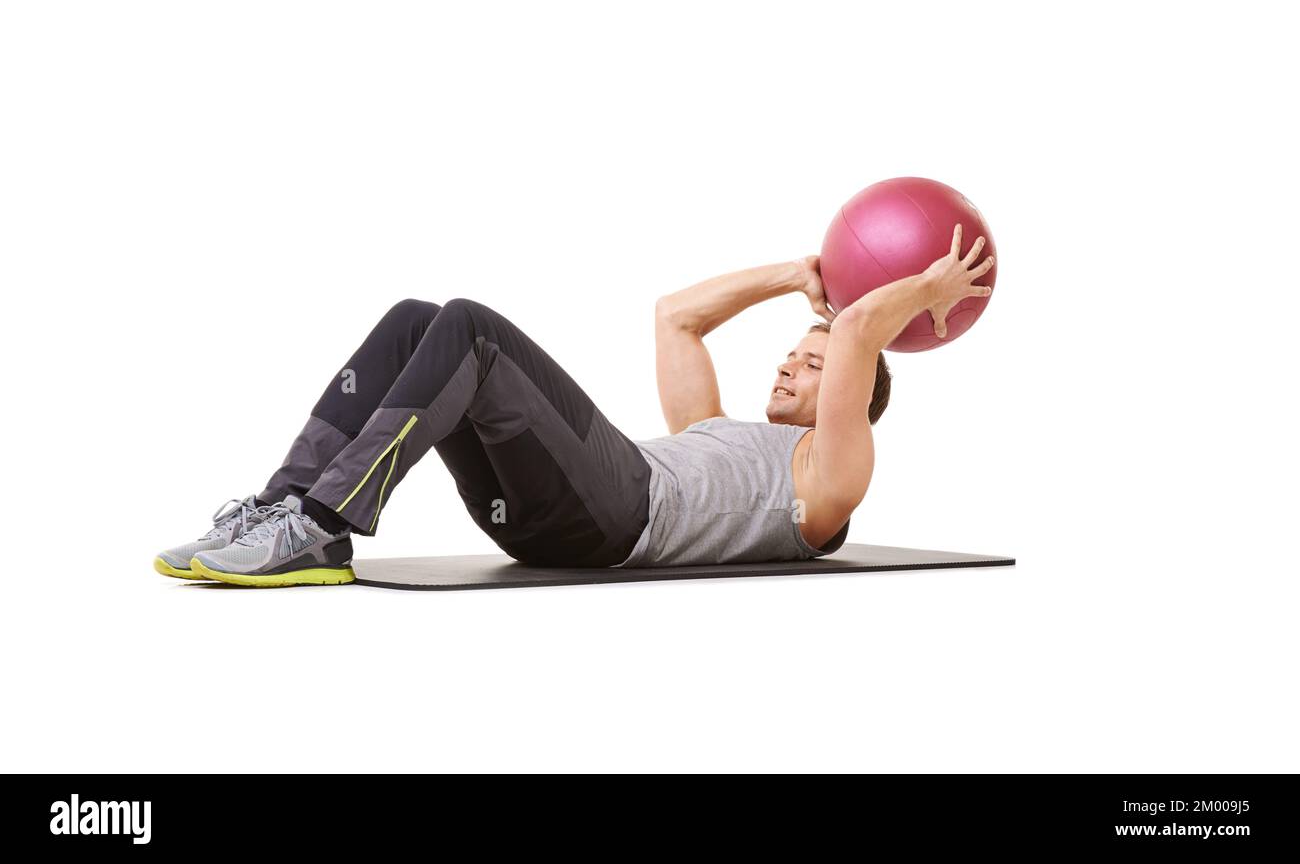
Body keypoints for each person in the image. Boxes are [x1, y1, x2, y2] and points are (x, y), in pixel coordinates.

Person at [154, 225, 992, 587]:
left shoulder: (831, 475)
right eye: (792, 352)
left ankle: (322, 525)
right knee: (421, 320)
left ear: (852, 401)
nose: (790, 363)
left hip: (619, 515)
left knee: (473, 330)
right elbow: (677, 316)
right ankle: (279, 509)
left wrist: (925, 288)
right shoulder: (716, 431)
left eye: (810, 366)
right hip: (561, 510)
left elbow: (854, 338)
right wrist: (795, 273)